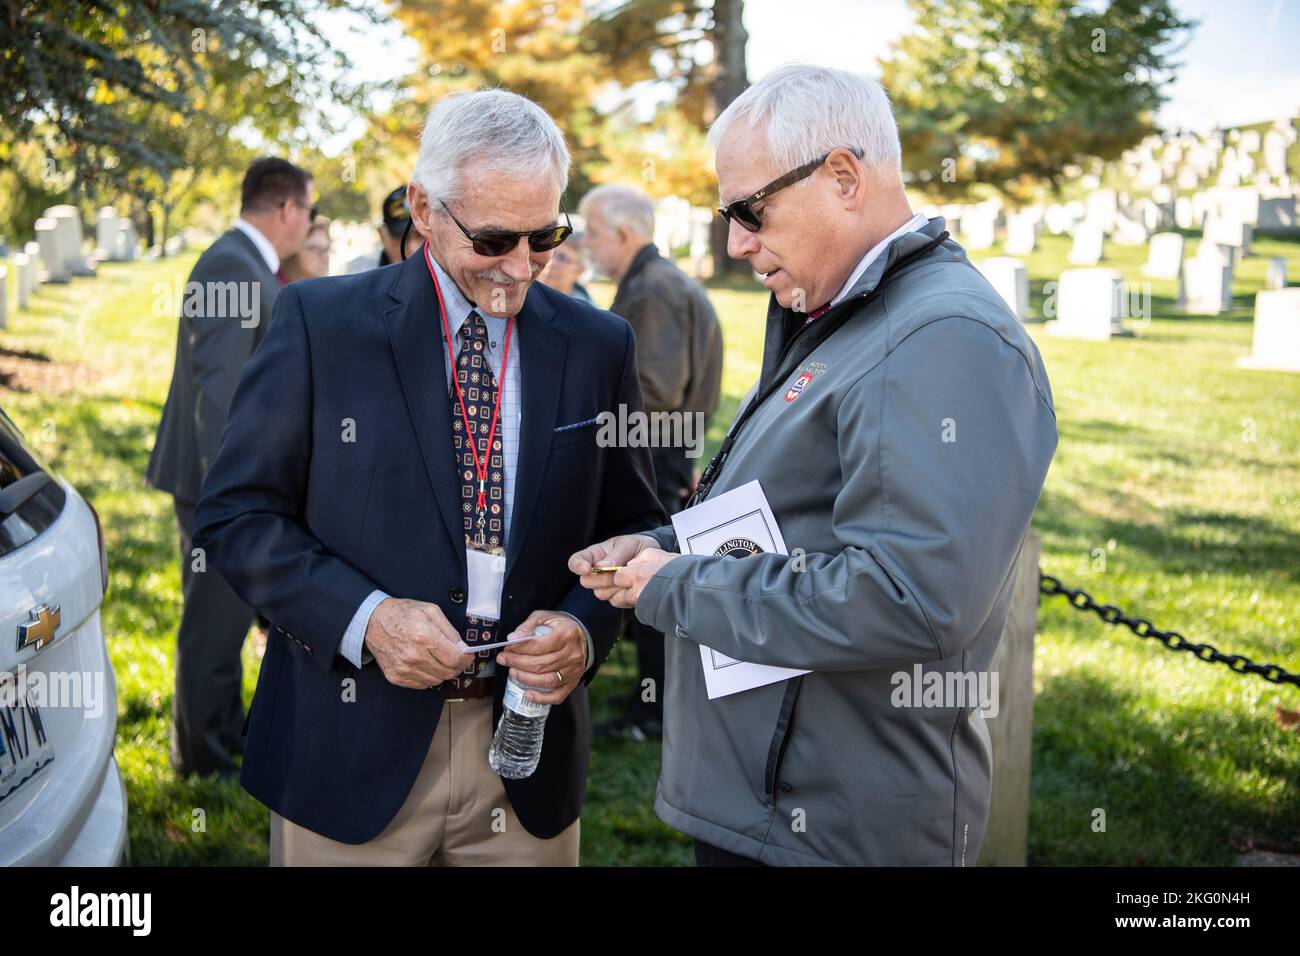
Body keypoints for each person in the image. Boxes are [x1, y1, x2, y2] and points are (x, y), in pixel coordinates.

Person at [571, 64, 1059, 866]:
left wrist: (676, 584)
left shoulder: (941, 338)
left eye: (750, 211)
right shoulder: (855, 310)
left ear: (842, 177)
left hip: (831, 827)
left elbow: (911, 597)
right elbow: (798, 510)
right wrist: (663, 546)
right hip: (778, 804)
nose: (736, 243)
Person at [193, 88, 663, 865]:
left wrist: (584, 627)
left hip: (529, 762)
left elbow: (634, 528)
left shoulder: (598, 343)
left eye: (544, 236)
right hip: (349, 750)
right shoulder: (320, 324)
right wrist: (370, 621)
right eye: (493, 239)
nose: (520, 267)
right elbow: (237, 517)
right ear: (423, 207)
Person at [147, 156, 315, 780]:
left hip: (230, 482)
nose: (309, 223)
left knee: (225, 616)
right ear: (287, 209)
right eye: (308, 209)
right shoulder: (230, 266)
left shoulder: (247, 265)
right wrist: (234, 495)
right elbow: (218, 396)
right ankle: (203, 759)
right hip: (214, 485)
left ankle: (220, 738)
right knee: (213, 625)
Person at [579, 184, 723, 740]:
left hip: (652, 453)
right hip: (667, 450)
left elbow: (653, 391)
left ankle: (655, 712)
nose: (587, 245)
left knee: (651, 580)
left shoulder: (653, 289)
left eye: (592, 232)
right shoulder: (656, 281)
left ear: (624, 233)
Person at [345, 184, 422, 273]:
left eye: (420, 235)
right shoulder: (359, 274)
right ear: (382, 235)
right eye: (400, 237)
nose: (413, 248)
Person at [537, 232, 594, 304]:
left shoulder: (585, 312)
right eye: (551, 253)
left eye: (562, 258)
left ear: (580, 271)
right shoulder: (522, 294)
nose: (552, 262)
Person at [281, 216, 332, 282]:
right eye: (315, 249)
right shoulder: (273, 286)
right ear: (294, 250)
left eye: (326, 250)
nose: (324, 257)